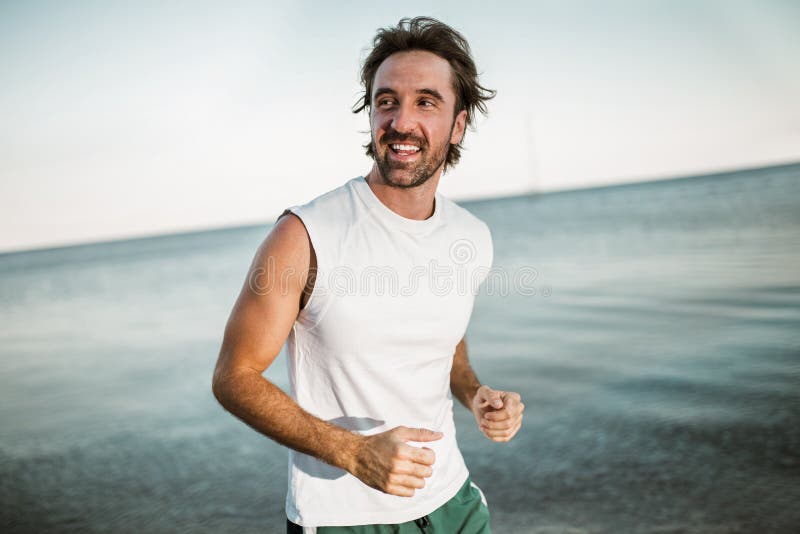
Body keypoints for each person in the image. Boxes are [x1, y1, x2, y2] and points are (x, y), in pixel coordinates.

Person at [212, 16, 524, 533]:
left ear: (459, 123)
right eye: (387, 101)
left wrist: (474, 394)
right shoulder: (303, 234)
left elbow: (445, 339)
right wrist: (353, 453)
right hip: (344, 519)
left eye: (426, 101)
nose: (402, 122)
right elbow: (233, 377)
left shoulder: (471, 237)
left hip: (453, 502)